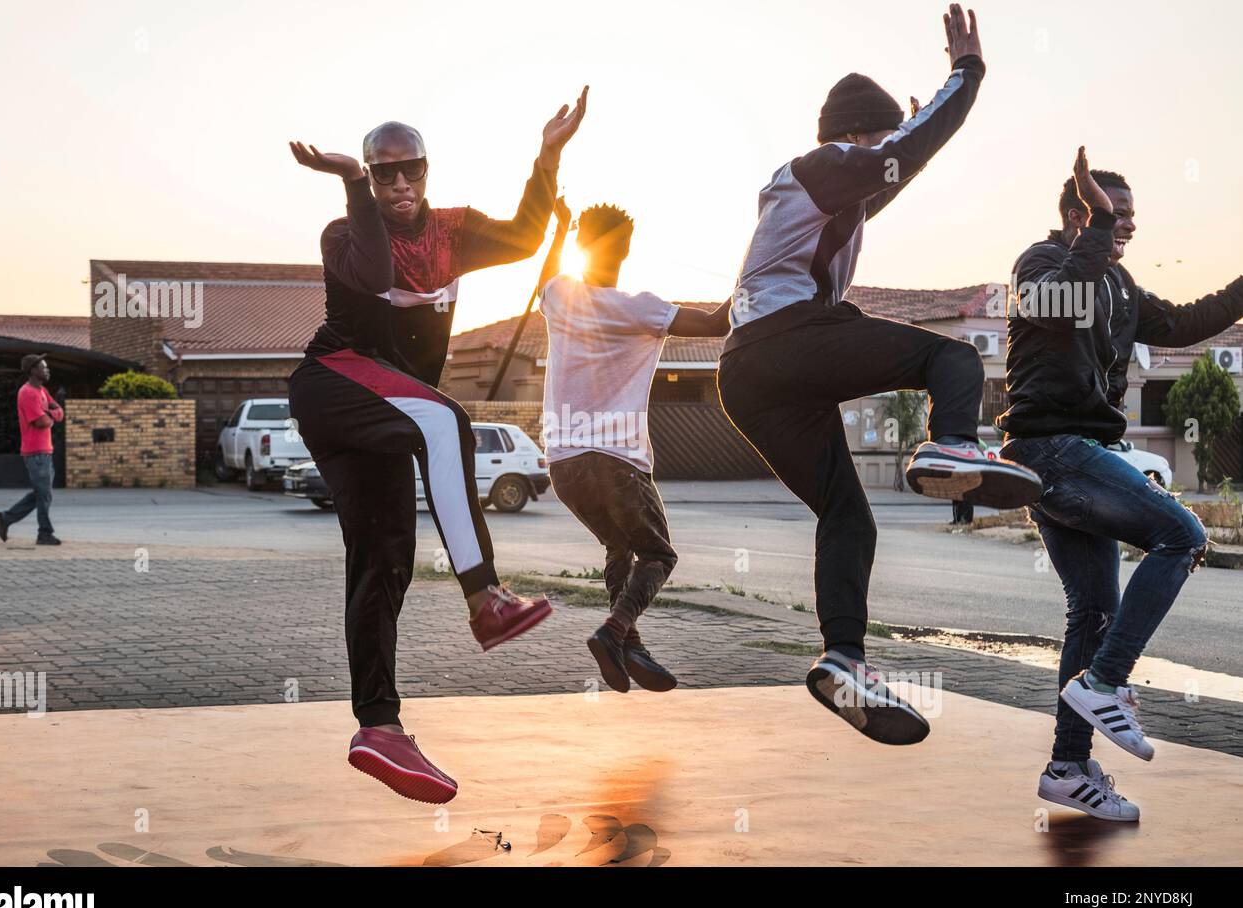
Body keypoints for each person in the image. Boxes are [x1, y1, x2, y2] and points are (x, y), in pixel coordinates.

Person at [716, 5, 1042, 745]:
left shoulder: (830, 190)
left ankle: (843, 659)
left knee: (848, 515)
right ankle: (950, 444)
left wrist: (921, 119)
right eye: (880, 137)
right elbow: (906, 152)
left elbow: (902, 164)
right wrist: (967, 75)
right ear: (858, 134)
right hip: (788, 341)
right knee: (951, 356)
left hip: (750, 376)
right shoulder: (823, 163)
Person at [286, 87, 587, 804]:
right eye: (379, 173)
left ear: (426, 171)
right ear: (366, 175)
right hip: (337, 382)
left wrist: (547, 156)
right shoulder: (344, 233)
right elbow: (377, 276)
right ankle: (485, 598)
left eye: (407, 171)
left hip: (384, 414)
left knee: (384, 561)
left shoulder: (455, 230)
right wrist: (350, 187)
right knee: (445, 422)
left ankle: (379, 728)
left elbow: (521, 235)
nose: (396, 184)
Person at [999, 147, 1243, 822]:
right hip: (1053, 449)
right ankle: (1106, 680)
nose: (1128, 226)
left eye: (1131, 216)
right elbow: (1054, 311)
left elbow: (1187, 323)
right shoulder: (1040, 263)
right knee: (1181, 533)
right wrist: (1098, 235)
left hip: (1085, 452)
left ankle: (1067, 768)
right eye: (1116, 214)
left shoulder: (1121, 283)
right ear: (1081, 212)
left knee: (1095, 611)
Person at [535, 197, 730, 693]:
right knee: (658, 555)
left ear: (581, 246)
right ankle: (614, 630)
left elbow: (547, 278)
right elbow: (715, 325)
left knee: (619, 547)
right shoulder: (640, 308)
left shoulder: (560, 296)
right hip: (615, 462)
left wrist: (560, 230)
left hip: (562, 464)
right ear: (624, 249)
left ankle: (630, 644)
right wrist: (750, 278)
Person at [0, 354, 62, 546]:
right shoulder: (28, 393)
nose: (47, 370)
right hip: (35, 452)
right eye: (43, 367)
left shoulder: (42, 391)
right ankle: (44, 533)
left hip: (45, 451)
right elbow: (41, 422)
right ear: (33, 370)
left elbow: (59, 412)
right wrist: (51, 416)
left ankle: (5, 519)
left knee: (42, 493)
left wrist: (52, 414)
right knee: (44, 494)